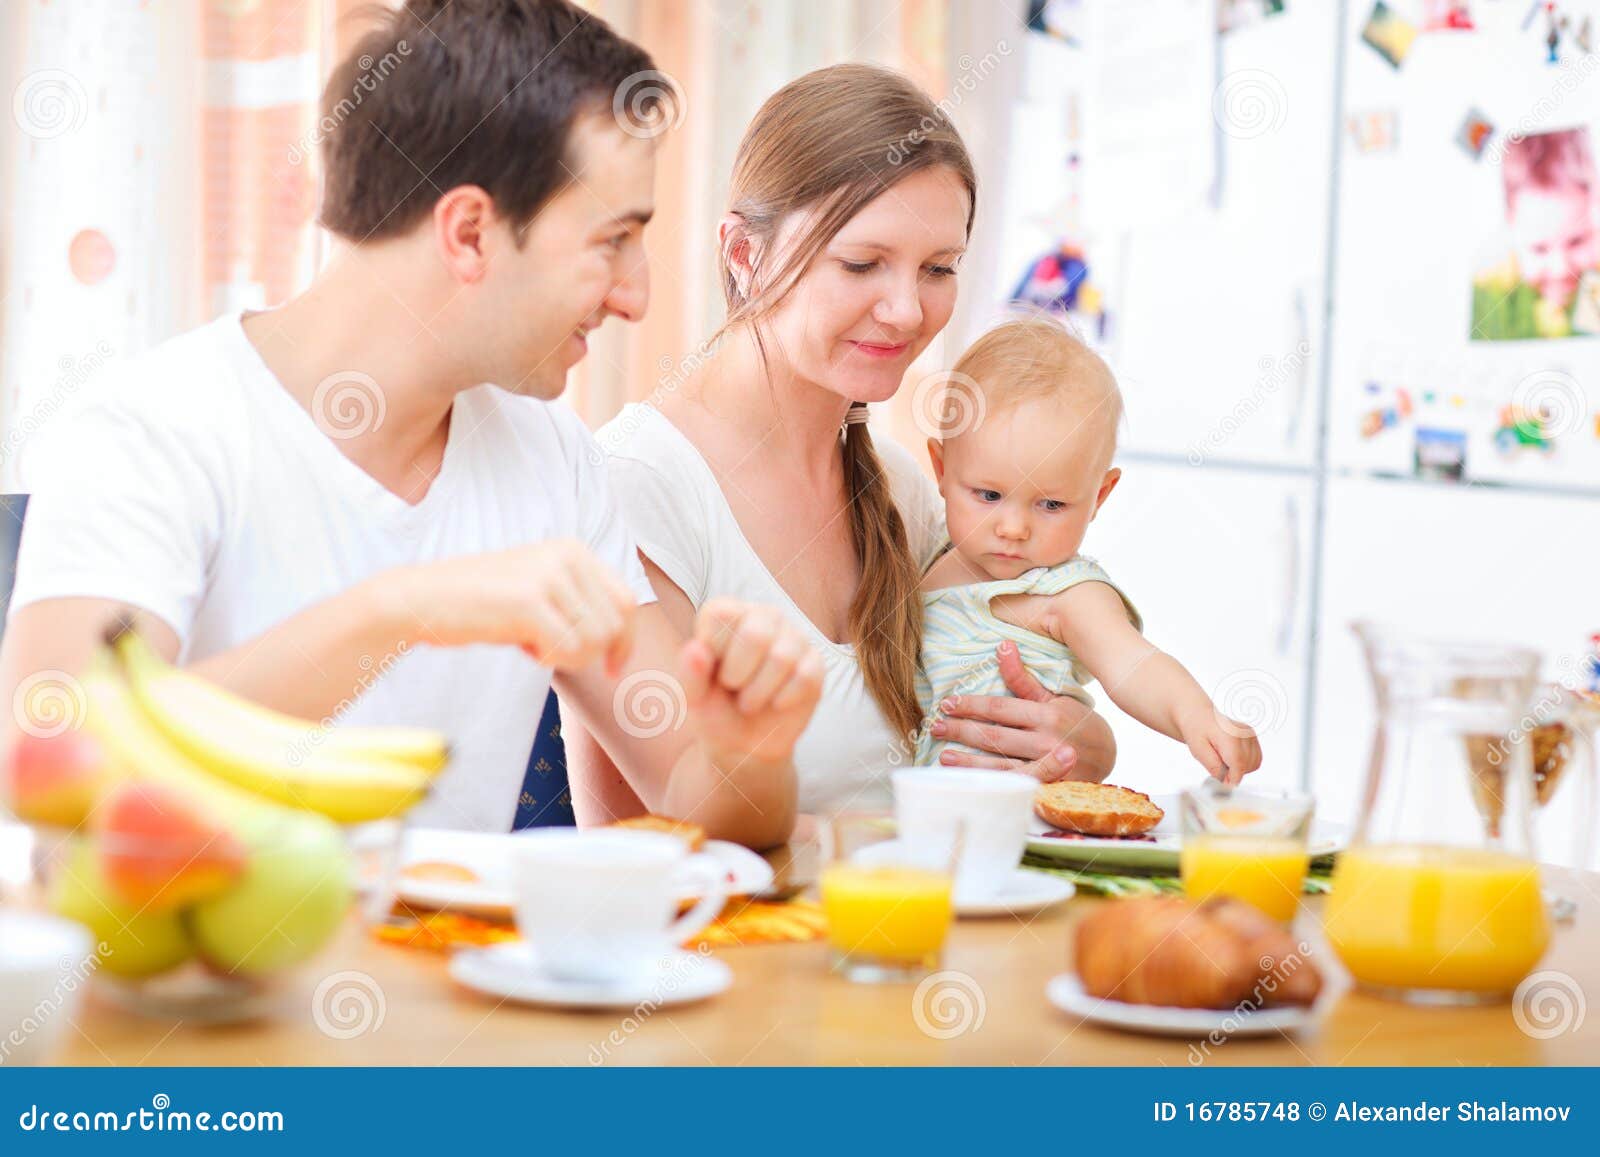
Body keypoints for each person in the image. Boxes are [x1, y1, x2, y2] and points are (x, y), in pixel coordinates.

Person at [0, 0, 821, 849]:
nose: (635, 295)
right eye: (612, 241)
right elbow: (48, 757)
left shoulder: (555, 462)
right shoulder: (151, 430)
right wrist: (406, 609)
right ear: (469, 232)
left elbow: (697, 790)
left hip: (445, 981)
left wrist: (749, 749)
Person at [568, 64, 1117, 824]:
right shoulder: (635, 484)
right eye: (861, 263)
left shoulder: (907, 486)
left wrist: (1077, 739)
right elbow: (679, 827)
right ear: (743, 255)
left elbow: (1020, 671)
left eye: (938, 269)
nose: (904, 309)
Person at [916, 317, 1261, 785]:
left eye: (1051, 504)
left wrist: (1195, 714)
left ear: (1099, 496)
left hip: (1015, 816)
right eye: (988, 496)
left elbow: (1132, 662)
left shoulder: (1066, 592)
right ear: (941, 469)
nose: (1014, 528)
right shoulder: (927, 553)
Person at [1472, 128, 1600, 341]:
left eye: (1577, 241)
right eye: (1539, 249)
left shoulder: (1595, 282)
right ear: (1510, 227)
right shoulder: (1491, 290)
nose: (1560, 269)